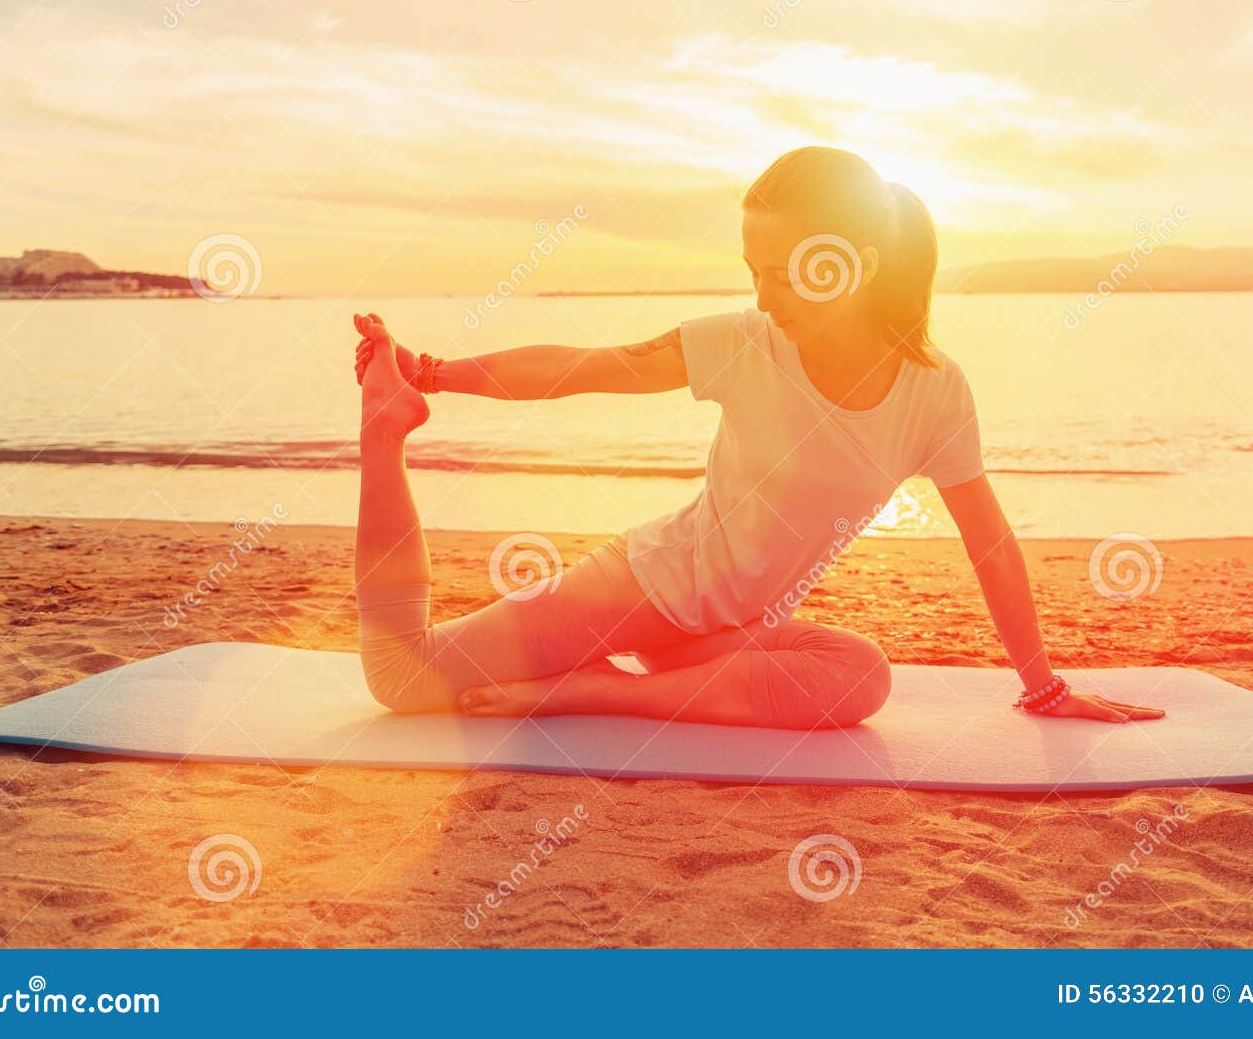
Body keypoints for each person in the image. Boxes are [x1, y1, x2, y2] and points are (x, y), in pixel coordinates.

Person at [351, 147, 1164, 729]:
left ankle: (593, 693)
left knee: (861, 680)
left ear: (854, 265)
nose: (764, 297)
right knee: (400, 676)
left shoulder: (935, 392)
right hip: (644, 586)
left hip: (729, 634)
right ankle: (383, 438)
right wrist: (427, 373)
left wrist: (1043, 686)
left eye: (784, 274)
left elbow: (988, 541)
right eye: (755, 271)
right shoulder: (746, 342)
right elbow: (592, 366)